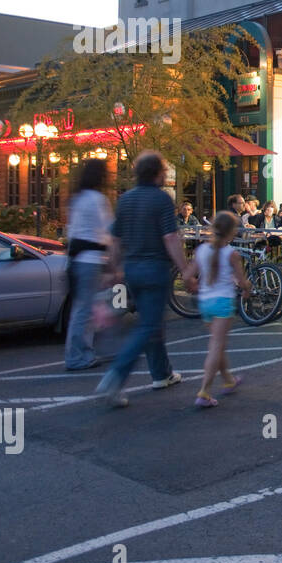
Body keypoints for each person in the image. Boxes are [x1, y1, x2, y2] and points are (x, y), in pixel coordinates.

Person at [94, 151, 193, 407]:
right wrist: (185, 268)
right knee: (148, 326)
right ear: (157, 173)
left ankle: (162, 373)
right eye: (163, 170)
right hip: (155, 269)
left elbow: (115, 239)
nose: (165, 174)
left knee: (152, 323)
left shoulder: (125, 200)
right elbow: (170, 238)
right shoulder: (162, 200)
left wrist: (113, 270)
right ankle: (116, 374)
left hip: (132, 270)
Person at [188, 211, 250, 408]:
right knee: (216, 346)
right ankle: (204, 391)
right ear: (232, 232)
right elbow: (242, 282)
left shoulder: (201, 250)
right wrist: (248, 289)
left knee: (218, 344)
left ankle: (228, 380)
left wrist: (196, 286)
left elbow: (187, 276)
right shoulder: (232, 254)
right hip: (223, 302)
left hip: (205, 302)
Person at [64, 159, 113, 370]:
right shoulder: (96, 199)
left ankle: (82, 353)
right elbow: (108, 230)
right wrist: (113, 260)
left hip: (76, 259)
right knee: (85, 310)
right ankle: (78, 356)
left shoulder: (76, 198)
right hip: (91, 260)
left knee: (82, 308)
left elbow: (71, 231)